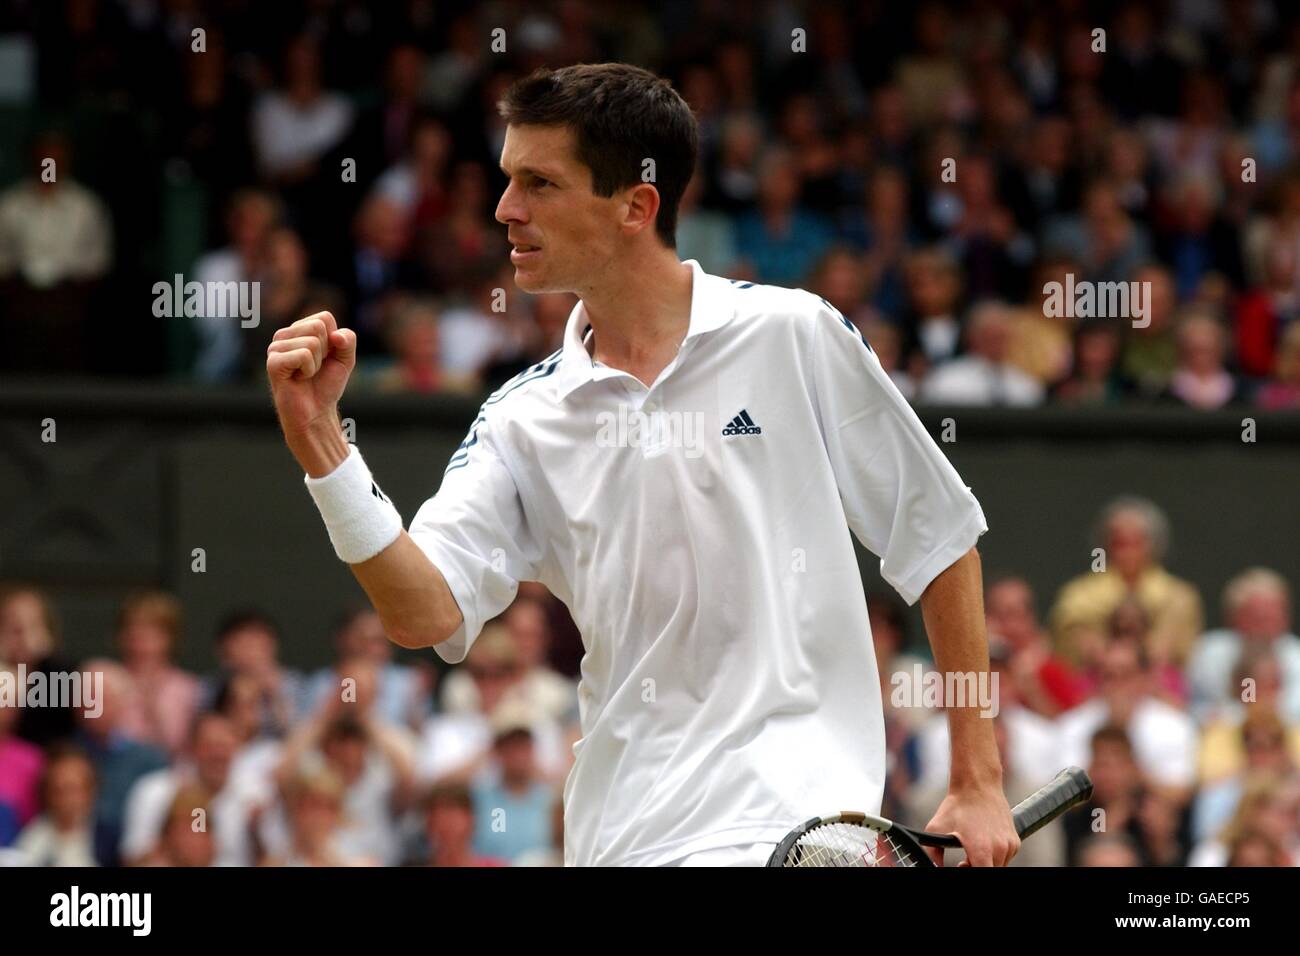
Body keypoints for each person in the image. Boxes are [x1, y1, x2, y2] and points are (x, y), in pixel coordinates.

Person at [268, 63, 1018, 867]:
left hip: (797, 826)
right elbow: (423, 612)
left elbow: (938, 537)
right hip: (621, 840)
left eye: (539, 183)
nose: (504, 209)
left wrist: (977, 780)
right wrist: (324, 448)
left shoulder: (794, 335)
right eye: (507, 180)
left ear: (637, 205)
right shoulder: (521, 420)